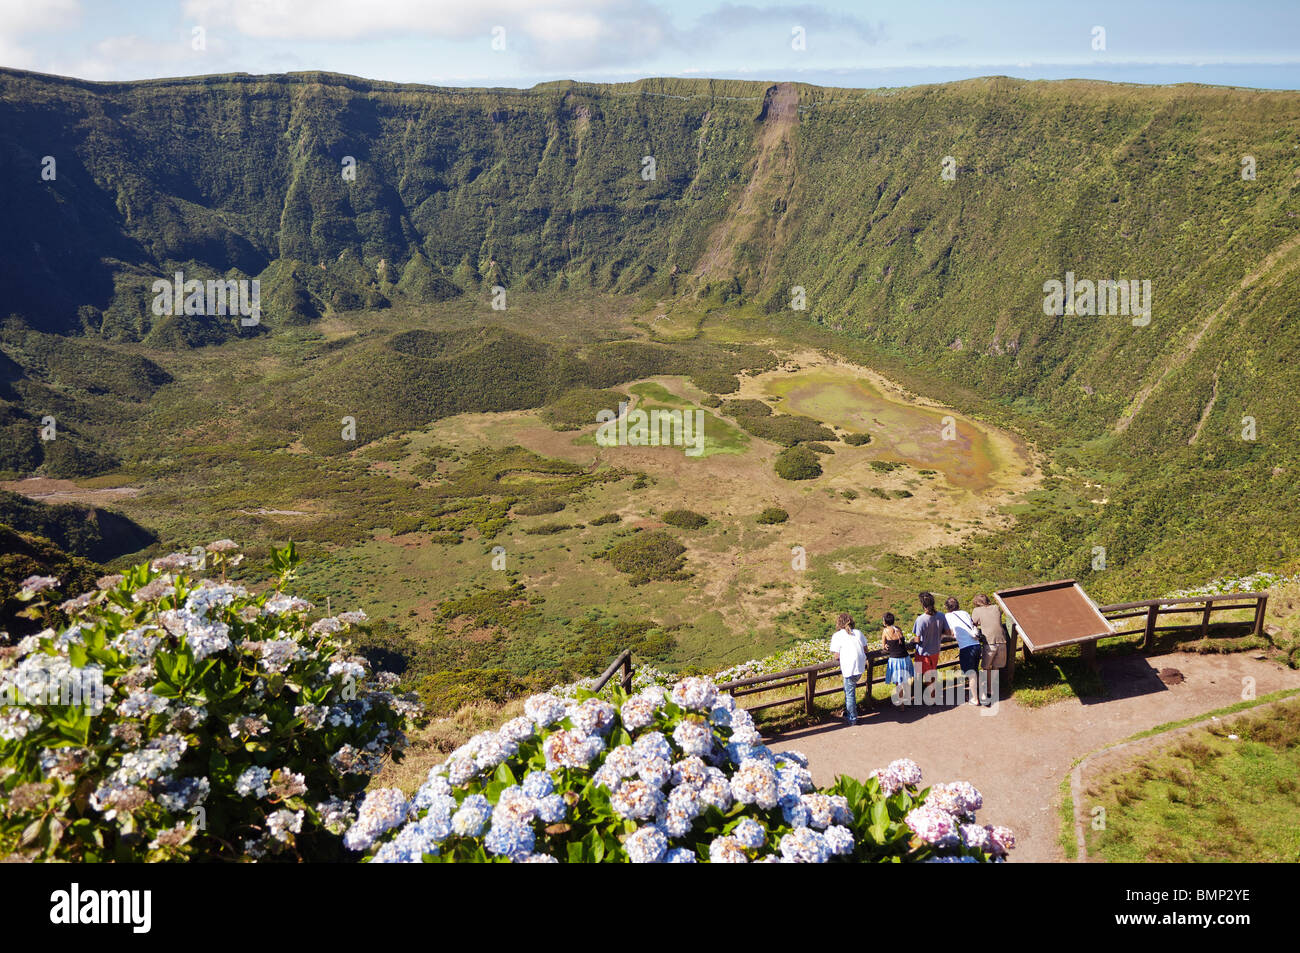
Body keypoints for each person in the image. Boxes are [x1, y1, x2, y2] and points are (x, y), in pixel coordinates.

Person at [829, 612, 868, 726]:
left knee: (850, 693)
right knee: (848, 690)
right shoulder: (858, 633)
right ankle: (850, 712)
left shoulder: (837, 636)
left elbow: (836, 656)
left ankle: (852, 717)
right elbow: (866, 649)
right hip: (860, 667)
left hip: (849, 668)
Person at [971, 594, 1008, 707]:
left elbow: (973, 623)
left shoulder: (977, 610)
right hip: (1002, 641)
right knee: (996, 667)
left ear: (977, 602)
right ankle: (992, 690)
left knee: (985, 668)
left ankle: (985, 694)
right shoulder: (996, 608)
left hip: (989, 643)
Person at [944, 596, 981, 706]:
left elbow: (950, 632)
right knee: (974, 671)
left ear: (947, 607)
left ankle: (975, 699)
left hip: (966, 647)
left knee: (971, 674)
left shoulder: (948, 616)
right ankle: (976, 694)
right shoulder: (964, 613)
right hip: (976, 644)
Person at [912, 592, 950, 691]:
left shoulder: (920, 619)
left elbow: (917, 638)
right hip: (935, 650)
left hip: (923, 652)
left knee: (921, 675)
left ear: (923, 605)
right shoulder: (941, 615)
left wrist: (912, 640)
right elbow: (948, 632)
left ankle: (931, 697)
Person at [881, 612, 914, 702]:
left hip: (896, 660)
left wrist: (885, 646)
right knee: (905, 680)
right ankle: (907, 699)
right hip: (906, 658)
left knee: (898, 683)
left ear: (884, 622)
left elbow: (883, 645)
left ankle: (902, 704)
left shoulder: (885, 631)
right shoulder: (898, 628)